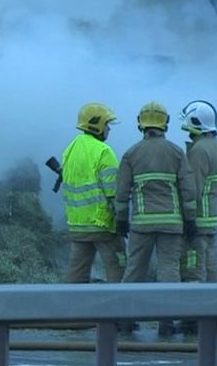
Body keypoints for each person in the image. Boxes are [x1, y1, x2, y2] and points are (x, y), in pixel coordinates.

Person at [115, 101, 197, 336]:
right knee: (169, 271)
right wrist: (190, 220)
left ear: (140, 124)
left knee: (134, 272)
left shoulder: (131, 154)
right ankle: (167, 323)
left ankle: (125, 321)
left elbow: (122, 192)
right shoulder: (176, 152)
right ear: (165, 123)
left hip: (141, 224)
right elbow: (188, 190)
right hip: (171, 223)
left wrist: (121, 220)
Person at [178, 100, 217, 333]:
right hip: (212, 218)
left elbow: (193, 188)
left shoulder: (199, 151)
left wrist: (187, 218)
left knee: (193, 269)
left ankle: (192, 320)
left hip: (198, 219)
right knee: (213, 268)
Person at [60, 103, 124, 283]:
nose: (109, 128)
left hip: (77, 225)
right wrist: (121, 219)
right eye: (107, 124)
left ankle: (72, 301)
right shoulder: (104, 152)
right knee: (118, 266)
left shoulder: (71, 149)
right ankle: (119, 300)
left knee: (77, 272)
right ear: (97, 124)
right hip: (102, 225)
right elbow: (114, 192)